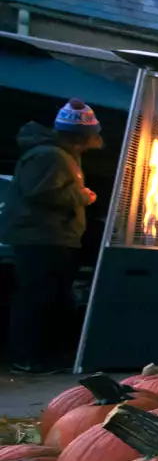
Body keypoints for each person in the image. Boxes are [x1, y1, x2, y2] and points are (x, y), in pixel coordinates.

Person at [2, 100, 101, 374]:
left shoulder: (58, 155)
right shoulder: (51, 156)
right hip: (41, 238)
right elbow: (41, 192)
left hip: (51, 236)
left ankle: (42, 355)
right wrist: (82, 196)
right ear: (80, 135)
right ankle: (28, 357)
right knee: (37, 297)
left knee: (50, 297)